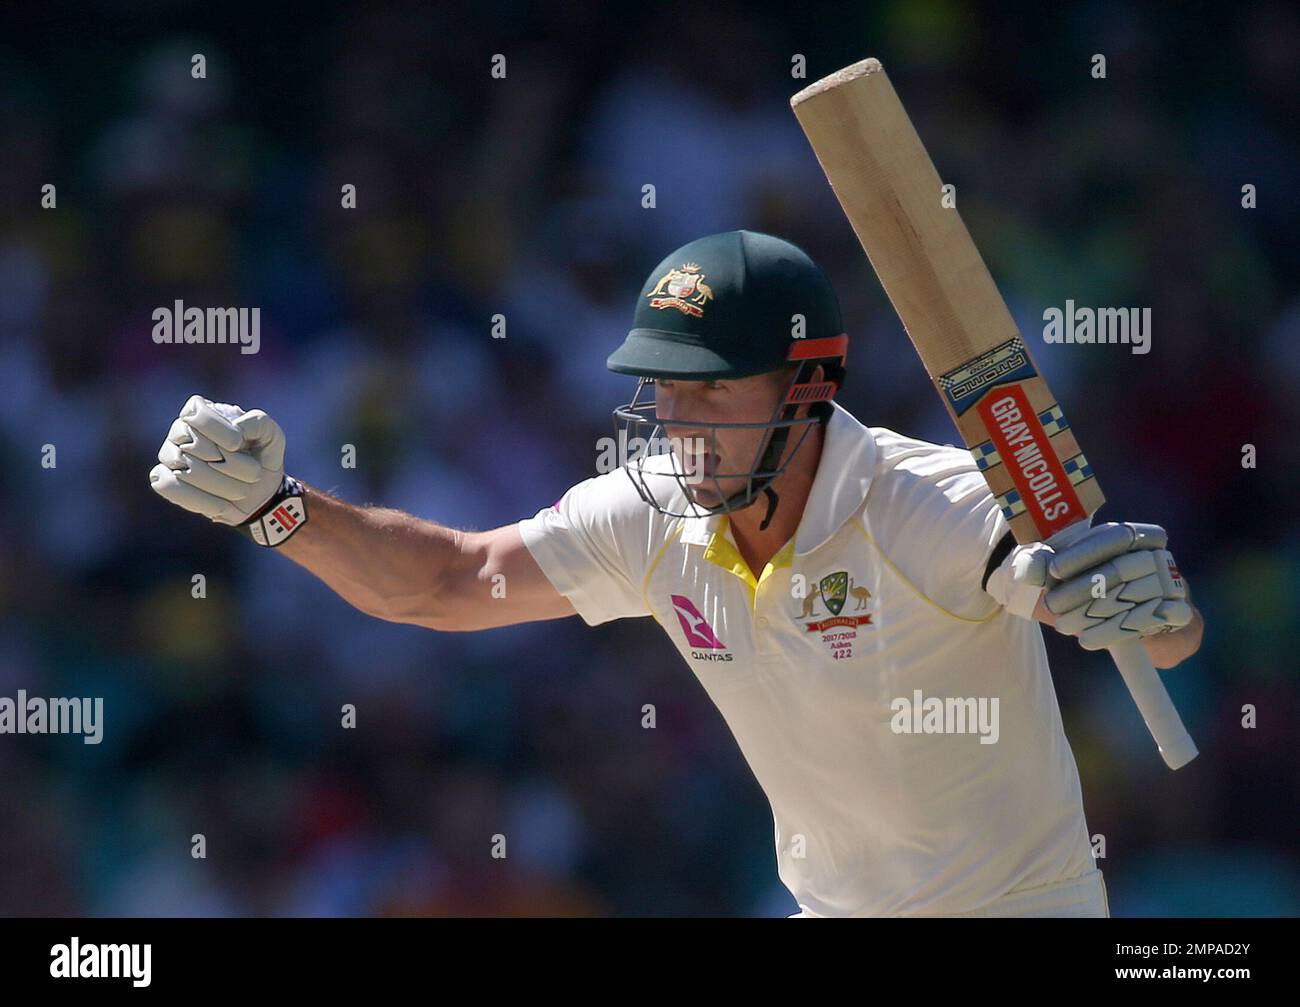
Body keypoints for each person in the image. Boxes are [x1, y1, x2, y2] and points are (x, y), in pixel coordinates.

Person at [149, 229, 1203, 917]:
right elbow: (451, 581)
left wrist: (1150, 608)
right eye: (660, 389)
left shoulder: (920, 502)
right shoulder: (653, 509)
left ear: (806, 386)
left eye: (708, 391)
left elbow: (1132, 620)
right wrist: (276, 507)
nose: (674, 423)